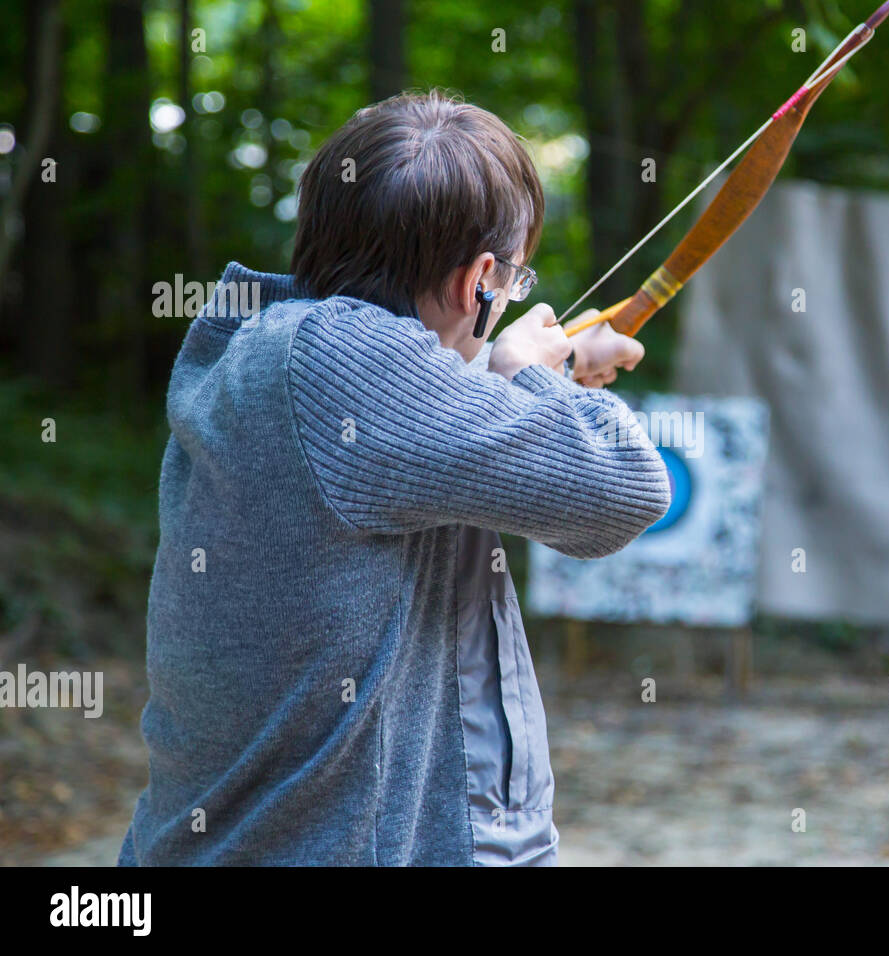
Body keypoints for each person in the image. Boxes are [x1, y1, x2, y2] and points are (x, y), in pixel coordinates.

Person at [117, 90, 671, 866]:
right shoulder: (346, 364)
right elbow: (625, 489)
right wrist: (528, 377)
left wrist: (544, 368)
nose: (509, 296)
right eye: (511, 280)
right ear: (477, 280)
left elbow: (433, 412)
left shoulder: (272, 348)